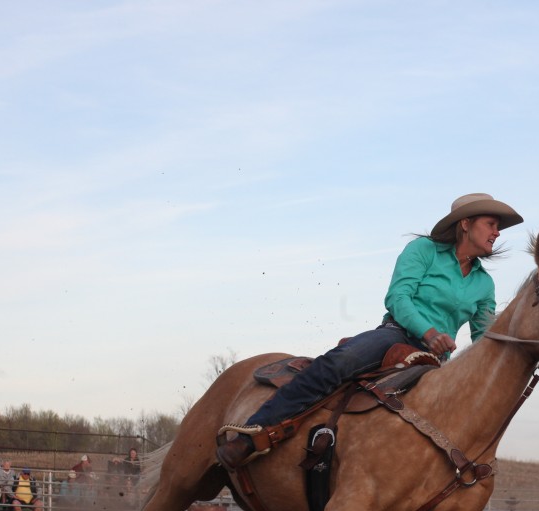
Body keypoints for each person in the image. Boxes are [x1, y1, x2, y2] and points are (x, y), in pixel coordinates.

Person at [216, 192, 523, 469]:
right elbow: (398, 298)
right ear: (466, 224)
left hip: (436, 363)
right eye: (492, 224)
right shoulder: (423, 251)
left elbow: (485, 338)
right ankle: (252, 432)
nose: (497, 233)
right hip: (396, 337)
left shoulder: (485, 284)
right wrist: (429, 333)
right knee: (338, 363)